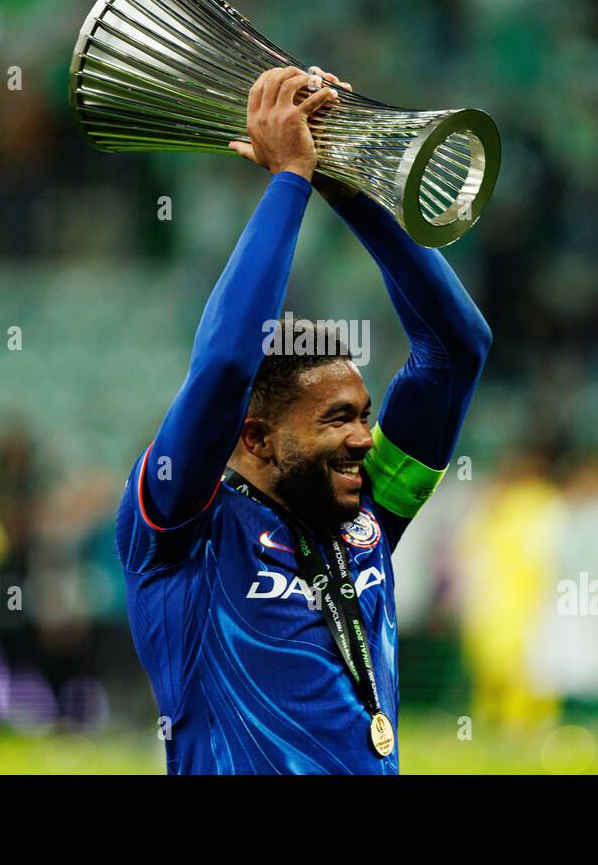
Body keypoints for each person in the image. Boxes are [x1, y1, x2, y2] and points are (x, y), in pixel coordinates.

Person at [114, 66, 491, 773]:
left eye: (365, 415)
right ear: (254, 435)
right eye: (338, 420)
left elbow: (457, 348)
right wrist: (287, 180)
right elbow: (227, 367)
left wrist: (343, 183)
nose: (363, 438)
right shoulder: (184, 530)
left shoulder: (365, 515)